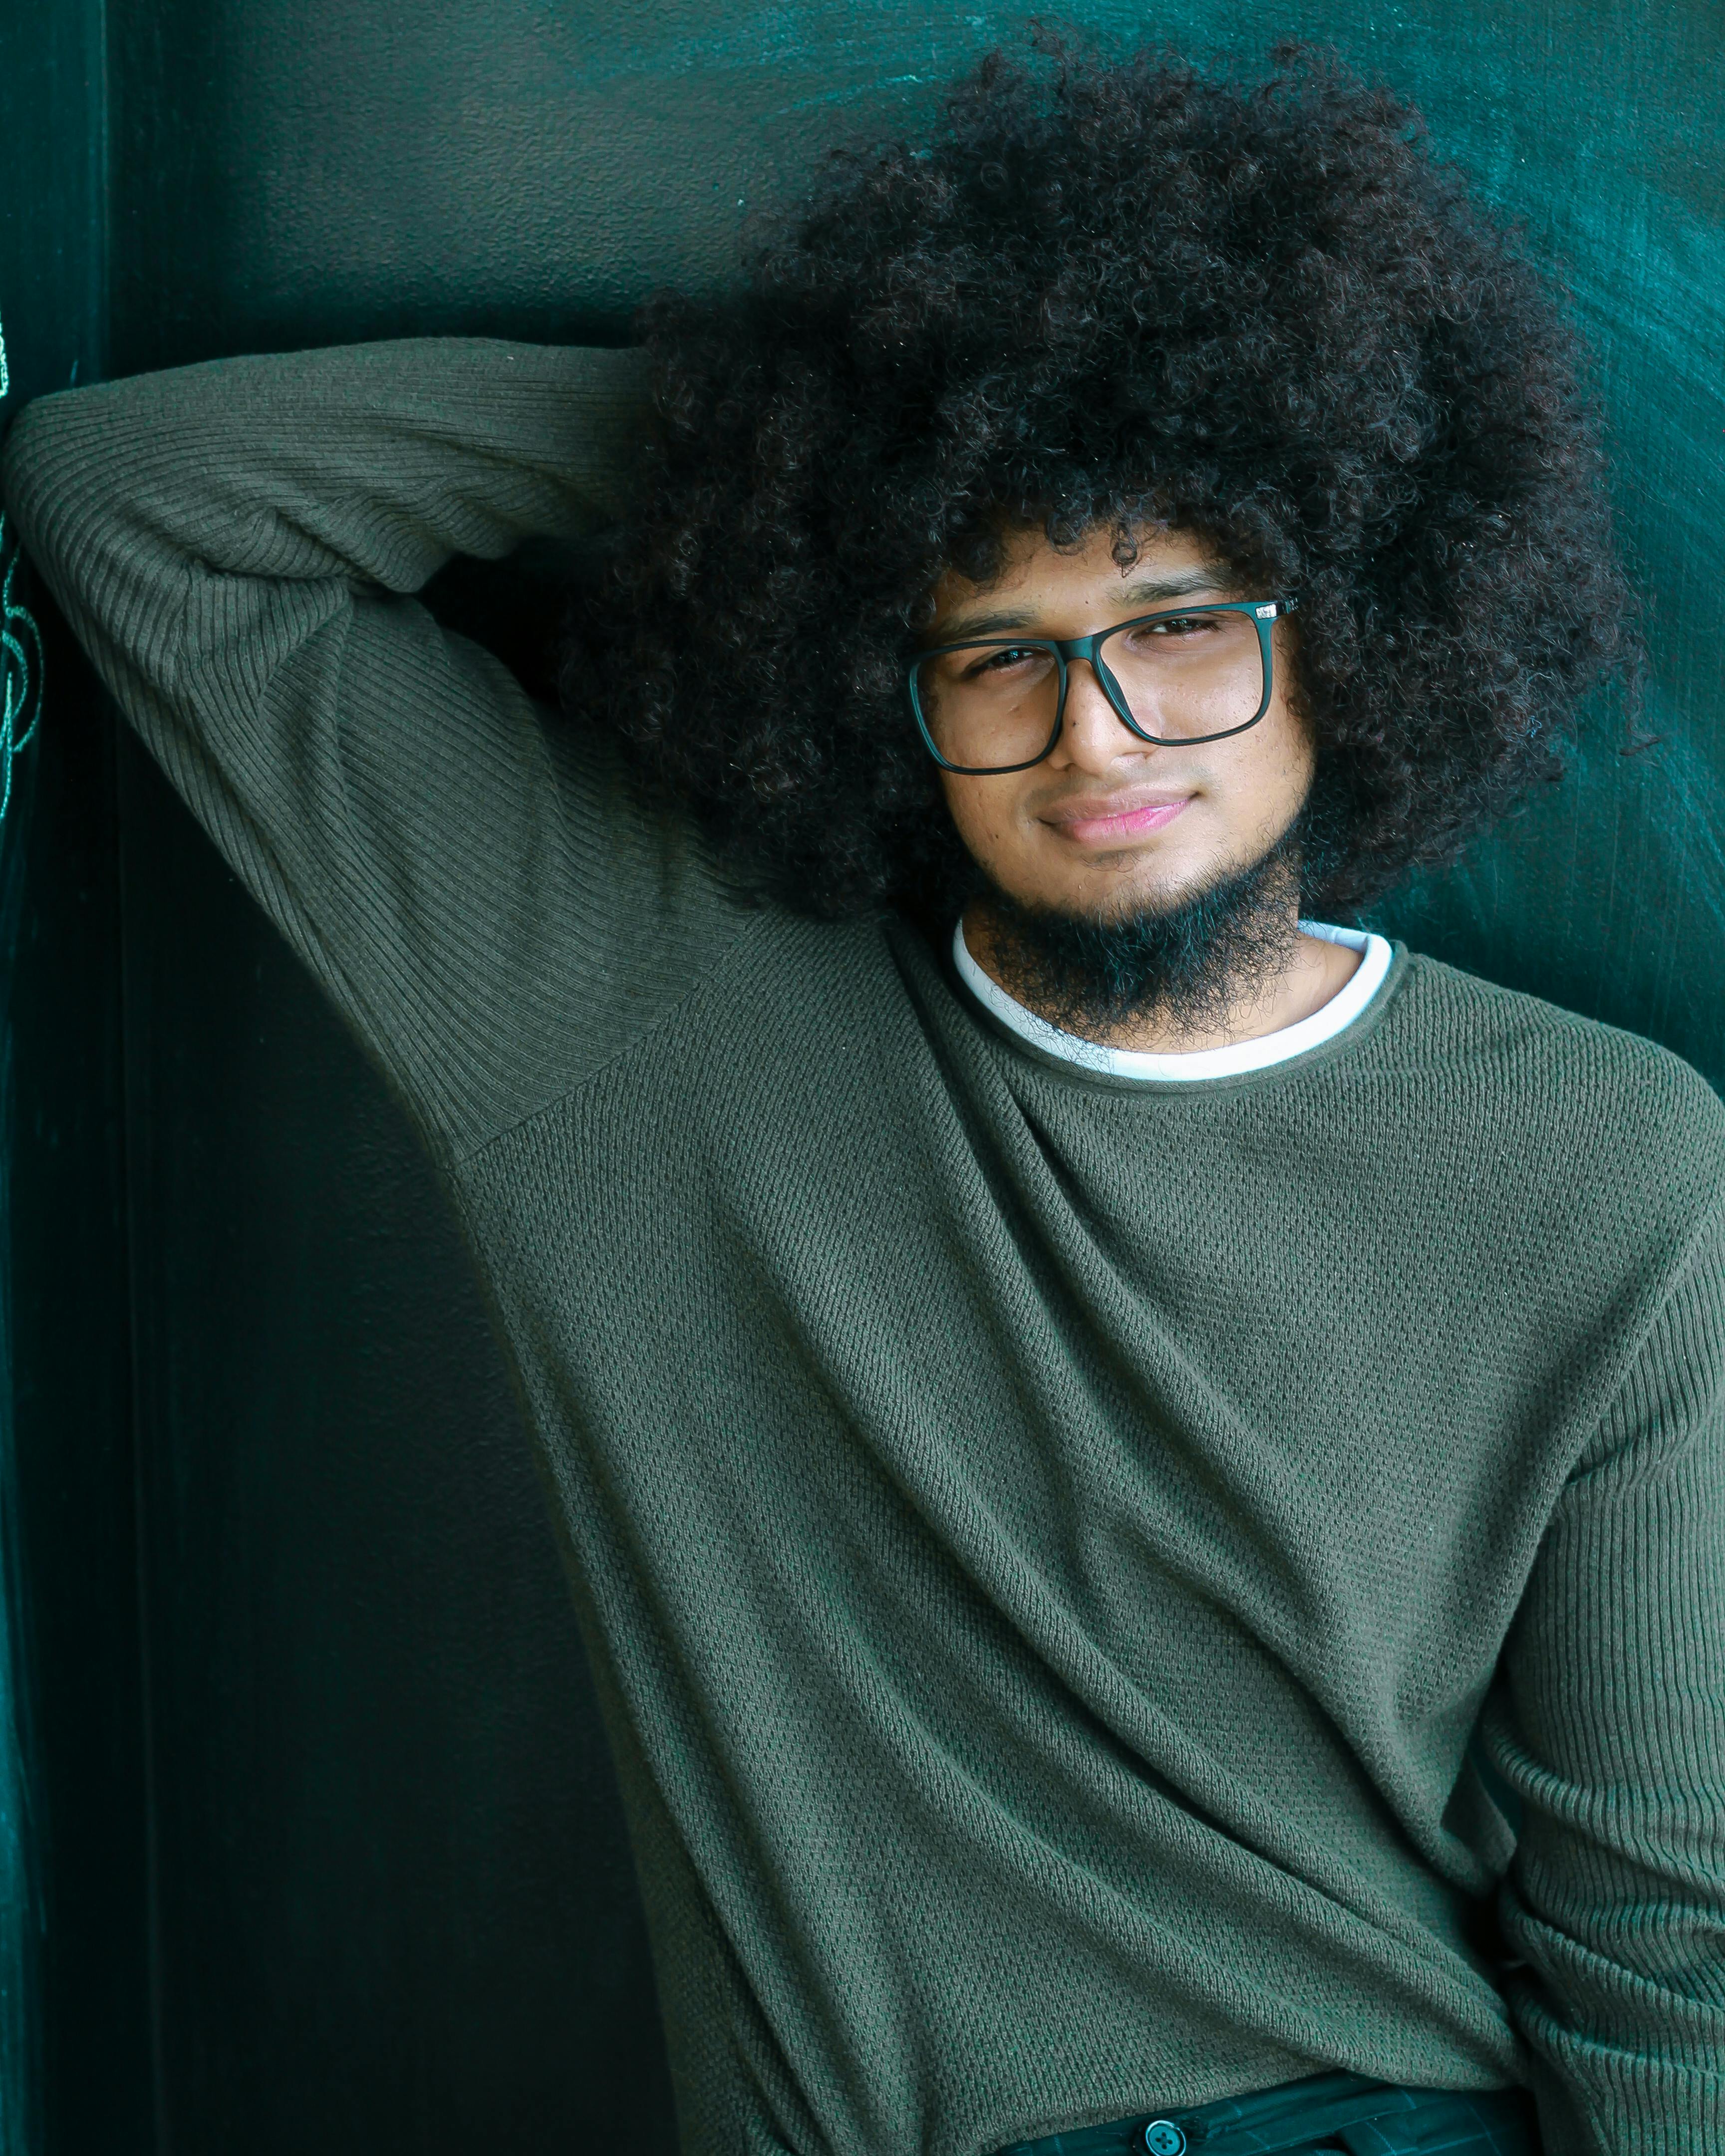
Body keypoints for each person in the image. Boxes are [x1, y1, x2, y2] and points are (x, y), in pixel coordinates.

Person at [4, 39, 1722, 2156]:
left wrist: (1041, 440)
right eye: (994, 649)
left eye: (1182, 624)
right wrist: (814, 467)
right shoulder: (647, 1020)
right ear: (882, 677)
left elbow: (1663, 1923)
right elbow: (130, 503)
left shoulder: (1608, 1163)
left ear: (1357, 621)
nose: (1097, 737)